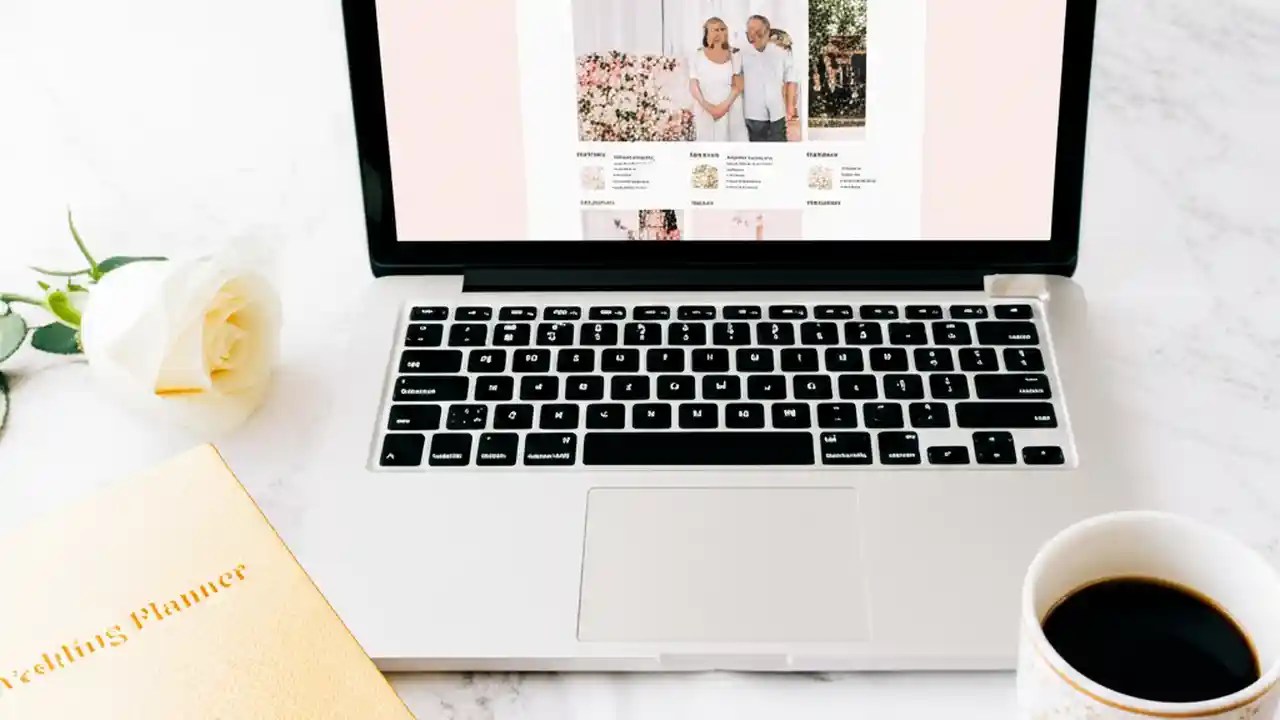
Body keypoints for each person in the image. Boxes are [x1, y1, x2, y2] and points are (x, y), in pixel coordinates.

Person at [688, 17, 747, 142]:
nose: (719, 33)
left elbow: (738, 86)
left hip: (730, 108)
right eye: (715, 30)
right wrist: (709, 107)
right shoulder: (697, 56)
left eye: (722, 29)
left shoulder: (735, 54)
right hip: (705, 110)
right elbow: (693, 85)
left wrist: (721, 109)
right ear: (706, 33)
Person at [741, 15, 798, 142]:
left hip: (778, 113)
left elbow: (791, 79)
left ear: (767, 32)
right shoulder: (741, 54)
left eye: (758, 32)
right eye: (749, 32)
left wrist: (790, 109)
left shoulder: (782, 51)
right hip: (753, 115)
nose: (753, 36)